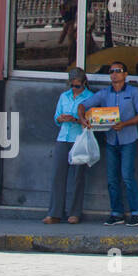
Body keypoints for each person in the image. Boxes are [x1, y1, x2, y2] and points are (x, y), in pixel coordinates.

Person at [79, 61, 138, 226]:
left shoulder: (133, 93)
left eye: (118, 71)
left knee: (127, 176)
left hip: (128, 140)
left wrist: (125, 124)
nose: (114, 74)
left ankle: (136, 213)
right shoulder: (104, 93)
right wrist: (82, 118)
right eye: (111, 71)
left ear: (125, 74)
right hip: (111, 140)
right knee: (111, 179)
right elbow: (83, 105)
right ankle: (116, 213)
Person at [44, 66, 94, 225]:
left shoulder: (90, 97)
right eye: (72, 85)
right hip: (63, 137)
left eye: (77, 86)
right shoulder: (64, 96)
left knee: (78, 177)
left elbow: (92, 121)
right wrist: (61, 119)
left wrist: (76, 119)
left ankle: (74, 212)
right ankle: (55, 212)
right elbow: (55, 117)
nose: (74, 88)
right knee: (57, 176)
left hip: (79, 138)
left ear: (84, 83)